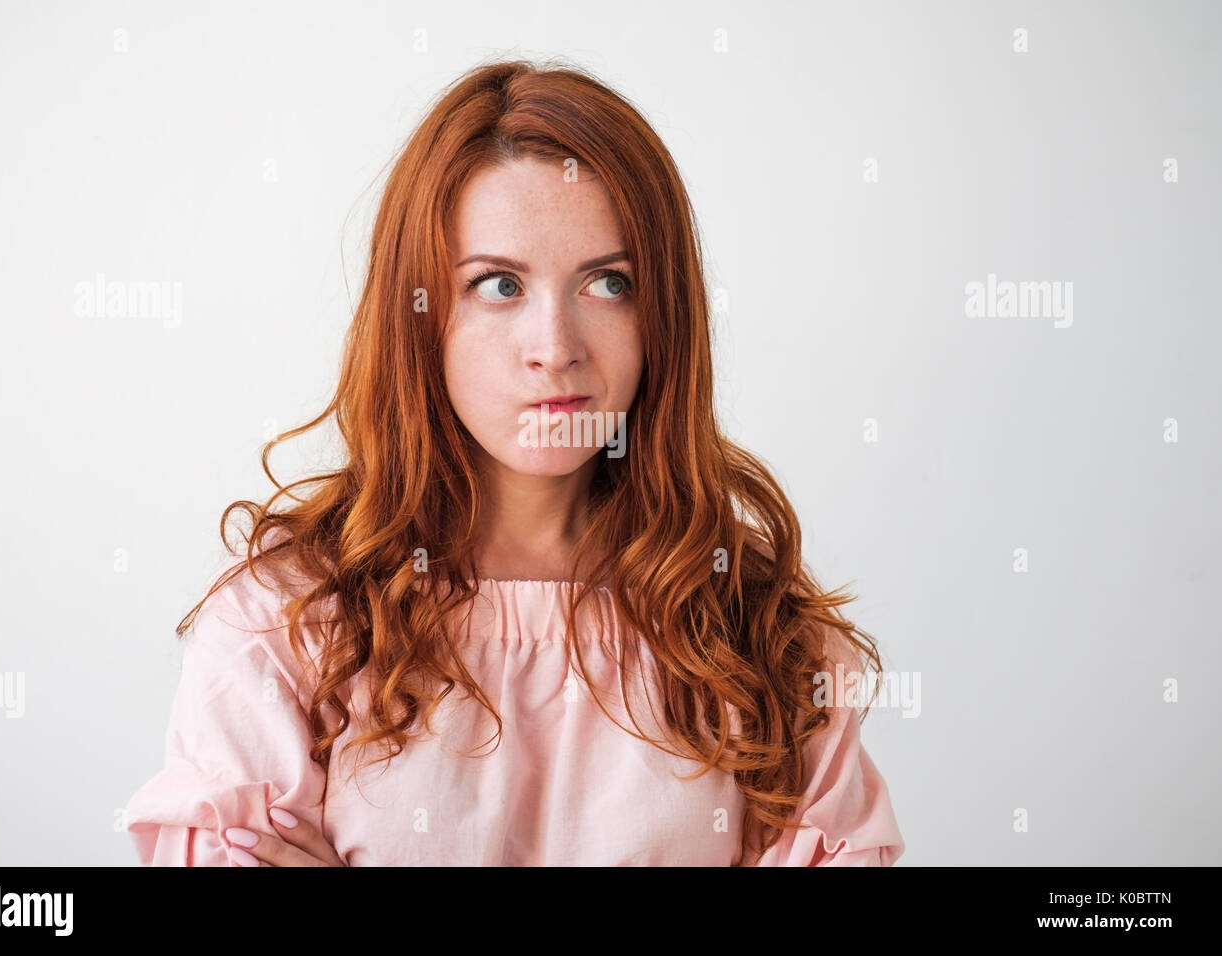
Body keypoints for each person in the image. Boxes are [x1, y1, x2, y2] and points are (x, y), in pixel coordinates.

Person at [123, 57, 905, 867]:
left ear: (663, 314)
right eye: (499, 286)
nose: (555, 349)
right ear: (418, 312)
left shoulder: (763, 632)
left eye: (608, 284)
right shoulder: (280, 628)